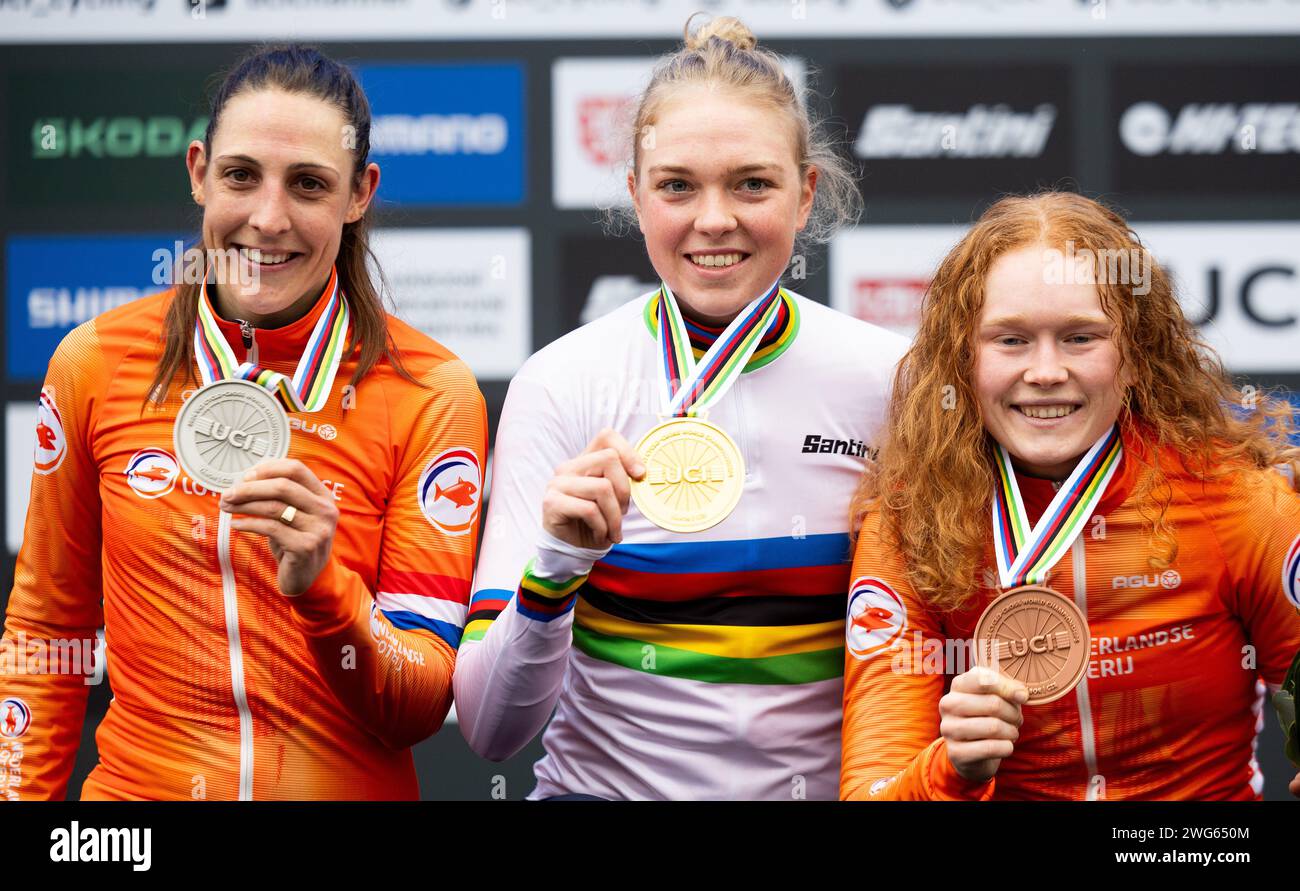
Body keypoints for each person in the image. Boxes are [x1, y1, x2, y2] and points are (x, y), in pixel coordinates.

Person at [0, 45, 487, 800]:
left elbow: (420, 703)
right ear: (198, 172)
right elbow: (46, 635)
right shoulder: (94, 362)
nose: (268, 218)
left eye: (308, 185)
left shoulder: (431, 392)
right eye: (241, 175)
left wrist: (325, 589)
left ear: (359, 194)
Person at [454, 15, 908, 800]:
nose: (714, 219)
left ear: (806, 196)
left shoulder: (889, 380)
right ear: (636, 196)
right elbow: (491, 728)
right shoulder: (562, 381)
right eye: (677, 186)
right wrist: (557, 565)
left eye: (752, 183)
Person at [840, 192, 1300, 800]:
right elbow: (872, 792)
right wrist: (952, 769)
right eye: (1010, 341)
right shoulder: (911, 521)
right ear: (962, 361)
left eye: (1080, 338)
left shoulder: (1237, 501)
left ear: (1135, 356)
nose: (1046, 371)